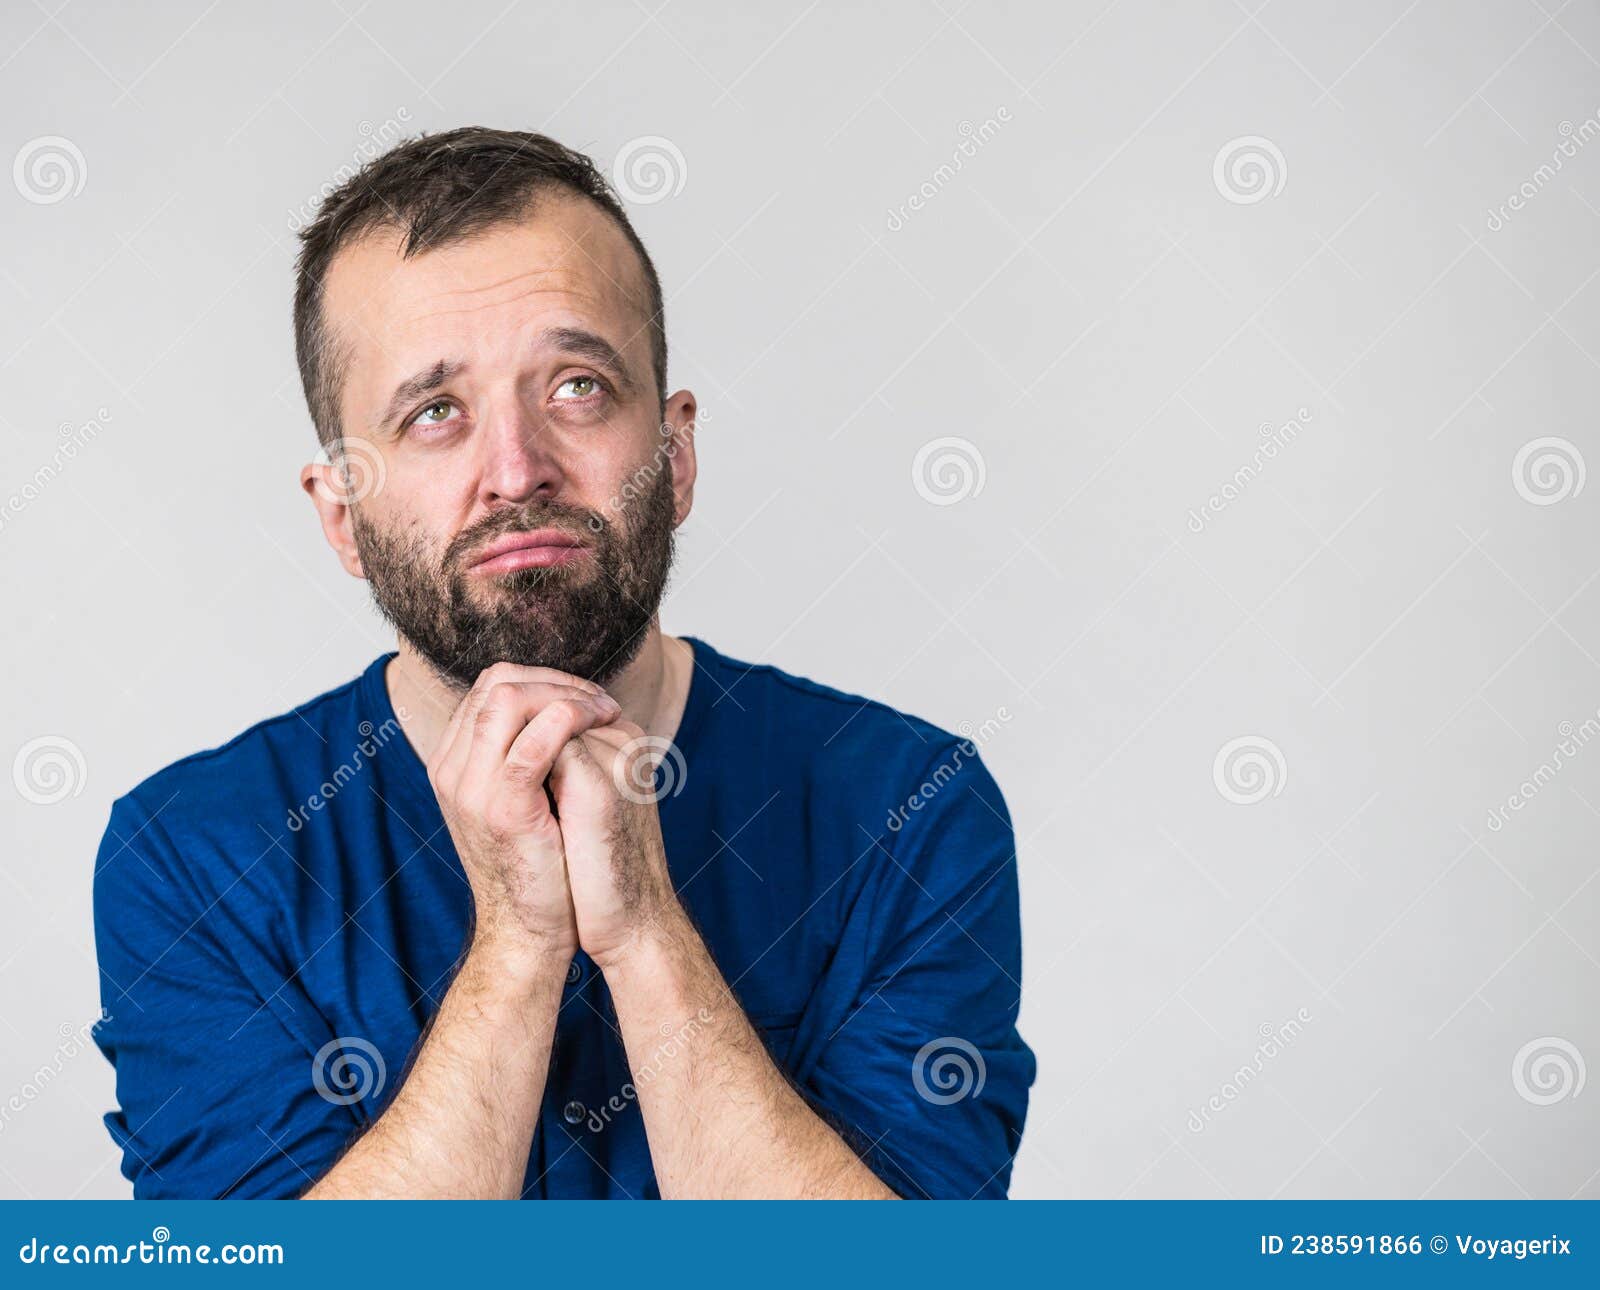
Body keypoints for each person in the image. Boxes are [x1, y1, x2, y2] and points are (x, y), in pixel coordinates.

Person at [91, 127, 1033, 1199]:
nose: (516, 470)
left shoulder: (907, 807)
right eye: (434, 412)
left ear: (675, 457)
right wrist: (519, 947)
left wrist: (642, 934)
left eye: (577, 387)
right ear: (342, 511)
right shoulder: (198, 858)